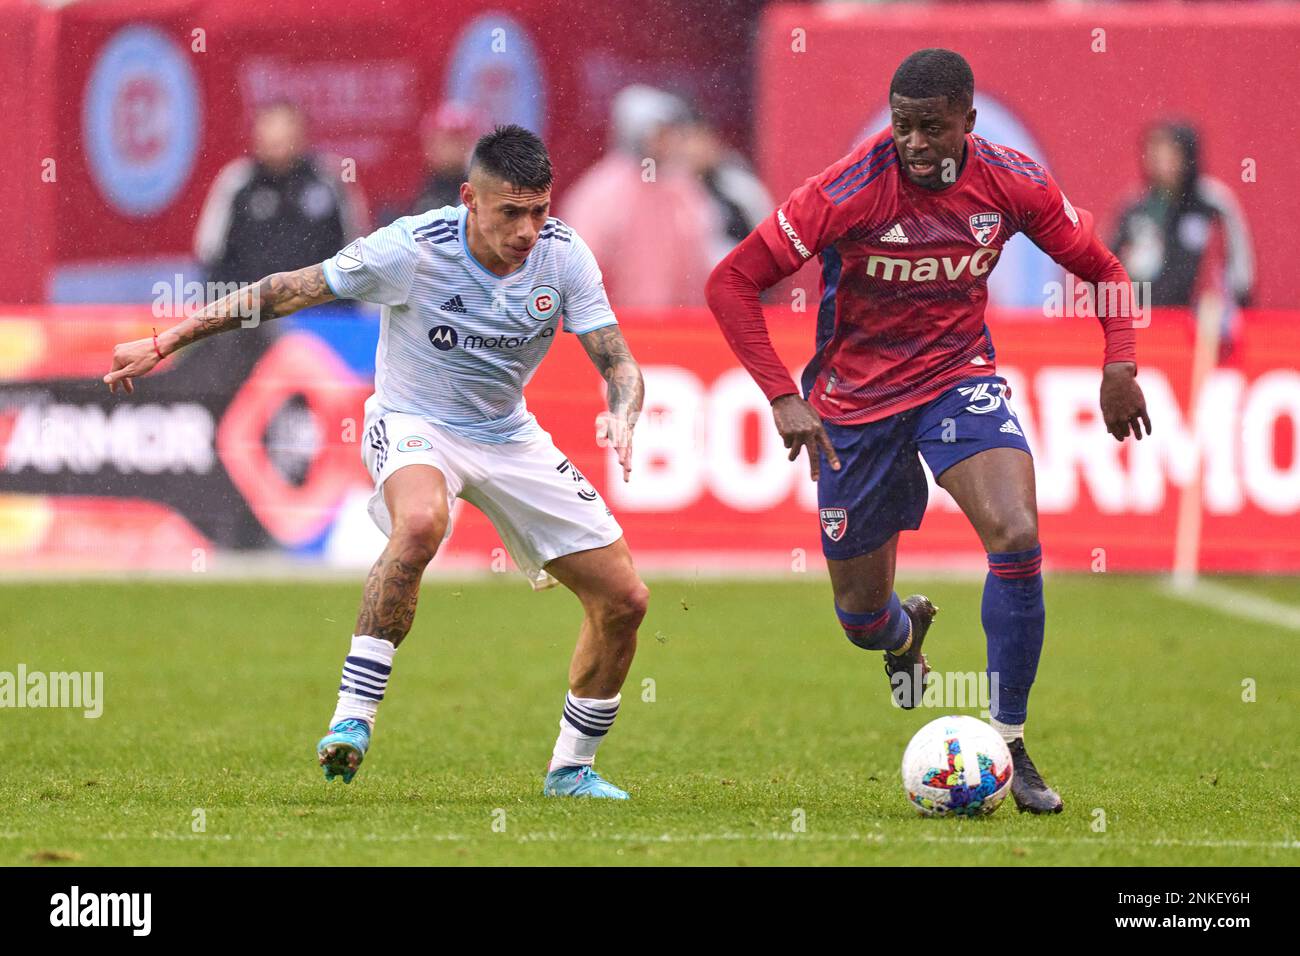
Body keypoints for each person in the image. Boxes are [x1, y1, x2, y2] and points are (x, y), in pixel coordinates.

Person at [105, 126, 649, 800]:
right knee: (421, 523)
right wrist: (164, 343)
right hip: (414, 422)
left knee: (624, 599)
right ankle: (352, 720)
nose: (528, 229)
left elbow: (616, 358)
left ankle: (571, 770)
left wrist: (622, 408)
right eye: (511, 212)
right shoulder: (411, 248)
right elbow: (283, 290)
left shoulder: (564, 257)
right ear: (469, 201)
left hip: (509, 435)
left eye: (539, 210)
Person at [705, 49, 1151, 814]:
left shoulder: (1011, 181)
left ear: (967, 124)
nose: (914, 142)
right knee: (859, 618)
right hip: (855, 404)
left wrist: (1119, 365)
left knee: (1014, 534)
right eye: (903, 126)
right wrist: (783, 395)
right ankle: (903, 635)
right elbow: (730, 282)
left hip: (957, 378)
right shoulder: (844, 192)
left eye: (931, 128)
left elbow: (1106, 269)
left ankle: (1009, 739)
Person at [562, 85, 718, 308]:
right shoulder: (600, 193)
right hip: (616, 327)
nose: (666, 142)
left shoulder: (682, 190)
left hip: (676, 328)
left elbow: (702, 260)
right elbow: (577, 270)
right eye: (659, 134)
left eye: (669, 133)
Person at [1113, 120, 1255, 360]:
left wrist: (1232, 309)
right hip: (1145, 330)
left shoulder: (1212, 204)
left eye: (1170, 152)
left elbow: (1238, 267)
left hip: (1201, 332)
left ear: (1188, 155)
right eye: (1154, 151)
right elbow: (1107, 263)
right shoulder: (1137, 208)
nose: (1160, 161)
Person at [193, 101, 368, 288]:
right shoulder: (237, 181)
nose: (278, 141)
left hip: (325, 310)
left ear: (302, 135)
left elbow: (357, 249)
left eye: (286, 132)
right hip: (253, 309)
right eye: (270, 131)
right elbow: (209, 252)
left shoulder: (332, 177)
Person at [408, 101, 484, 216]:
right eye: (446, 140)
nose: (452, 148)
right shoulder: (410, 190)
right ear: (429, 143)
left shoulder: (482, 193)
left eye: (459, 139)